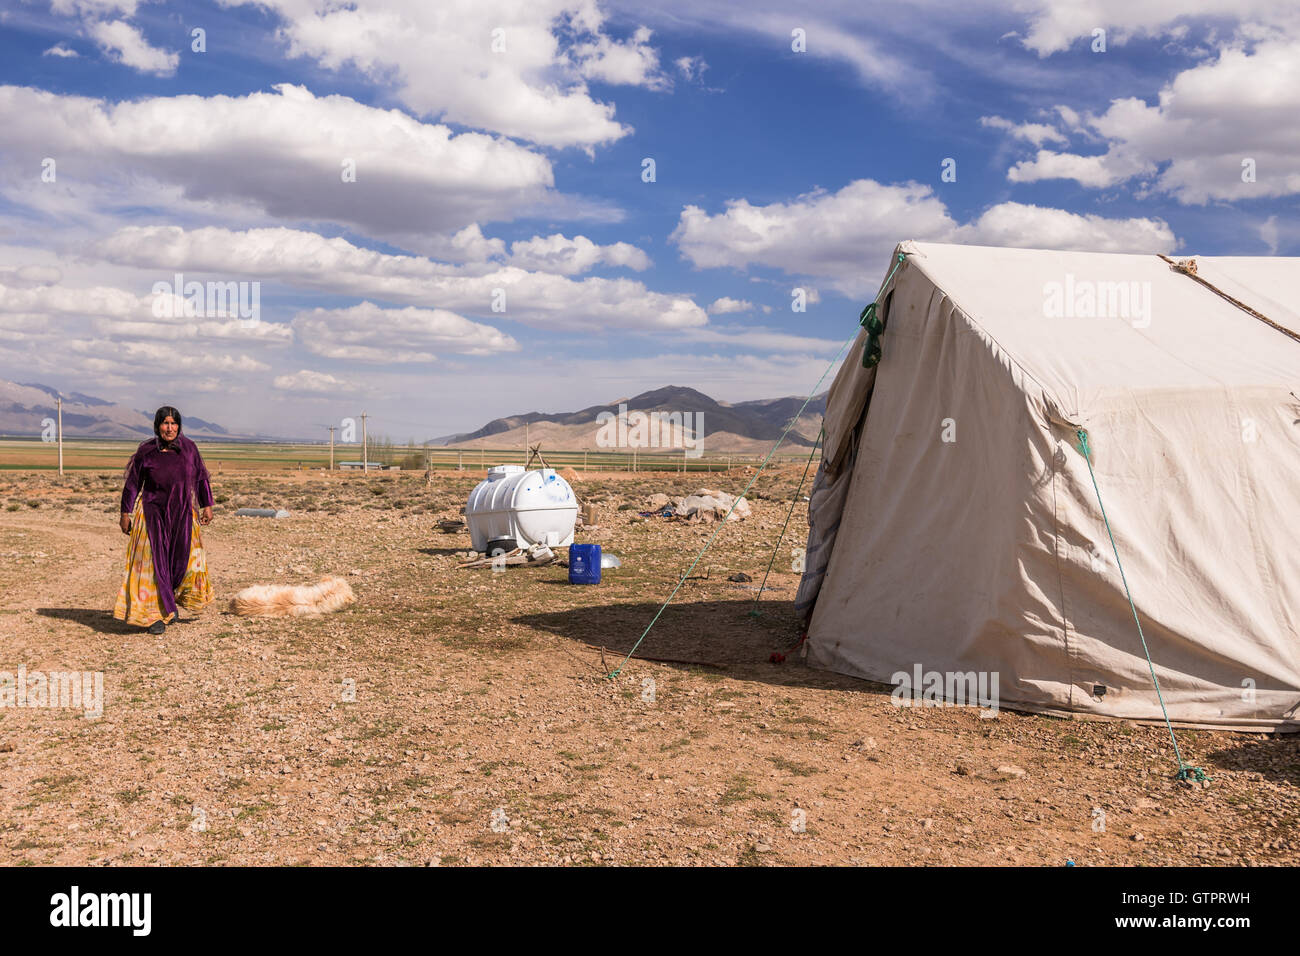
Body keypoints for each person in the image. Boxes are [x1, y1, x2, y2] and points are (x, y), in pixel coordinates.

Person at [114, 406, 215, 634]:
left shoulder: (189, 449)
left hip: (182, 513)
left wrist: (206, 505)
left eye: (173, 423)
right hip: (151, 513)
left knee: (178, 562)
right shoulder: (147, 450)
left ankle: (169, 604)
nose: (169, 428)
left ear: (179, 426)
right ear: (157, 425)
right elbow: (132, 484)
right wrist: (125, 513)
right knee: (151, 565)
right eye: (165, 423)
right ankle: (153, 616)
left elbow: (201, 478)